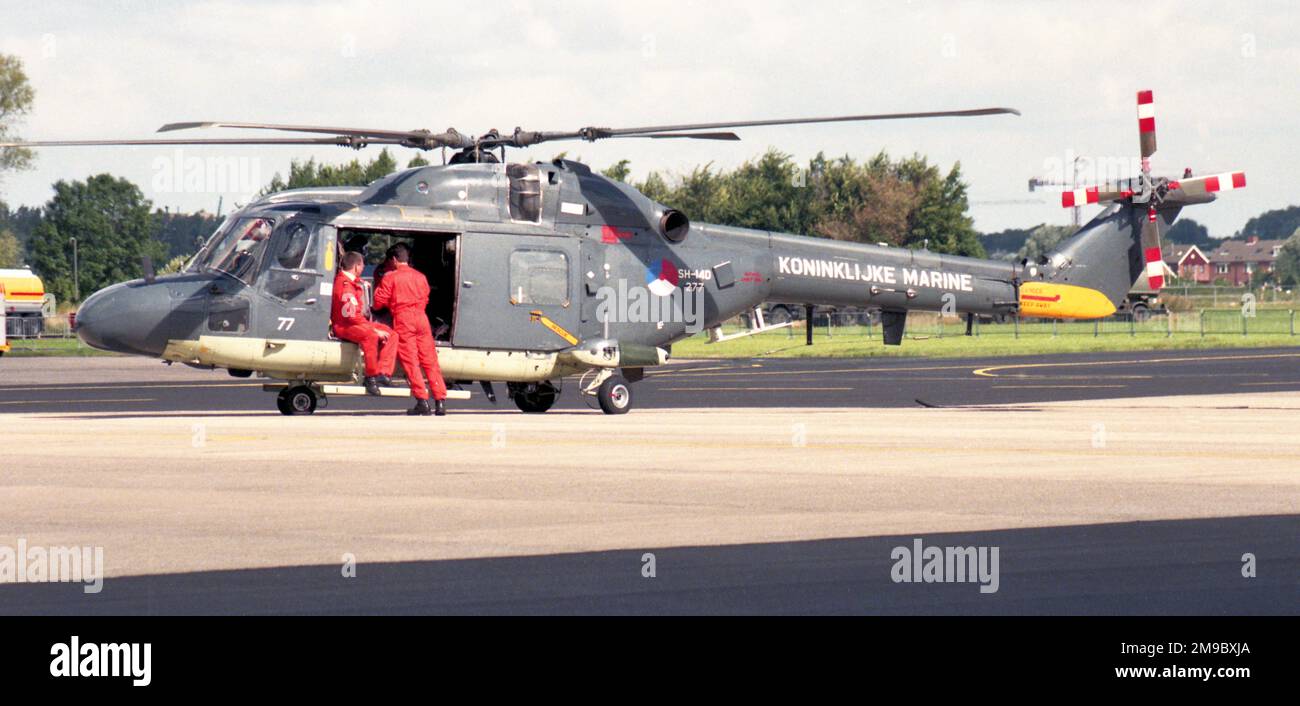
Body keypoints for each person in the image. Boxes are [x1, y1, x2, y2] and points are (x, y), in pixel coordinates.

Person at [373, 243, 447, 416]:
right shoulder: (421, 276)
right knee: (430, 360)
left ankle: (422, 401)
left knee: (410, 361)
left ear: (393, 259)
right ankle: (440, 401)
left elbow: (378, 302)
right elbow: (426, 296)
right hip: (422, 318)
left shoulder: (390, 277)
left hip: (403, 318)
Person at [331, 251, 399, 396]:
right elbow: (352, 316)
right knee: (370, 336)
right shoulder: (345, 285)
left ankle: (383, 373)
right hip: (345, 325)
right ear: (356, 266)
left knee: (392, 334)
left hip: (355, 322)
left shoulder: (351, 281)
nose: (362, 269)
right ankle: (370, 377)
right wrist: (374, 330)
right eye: (362, 266)